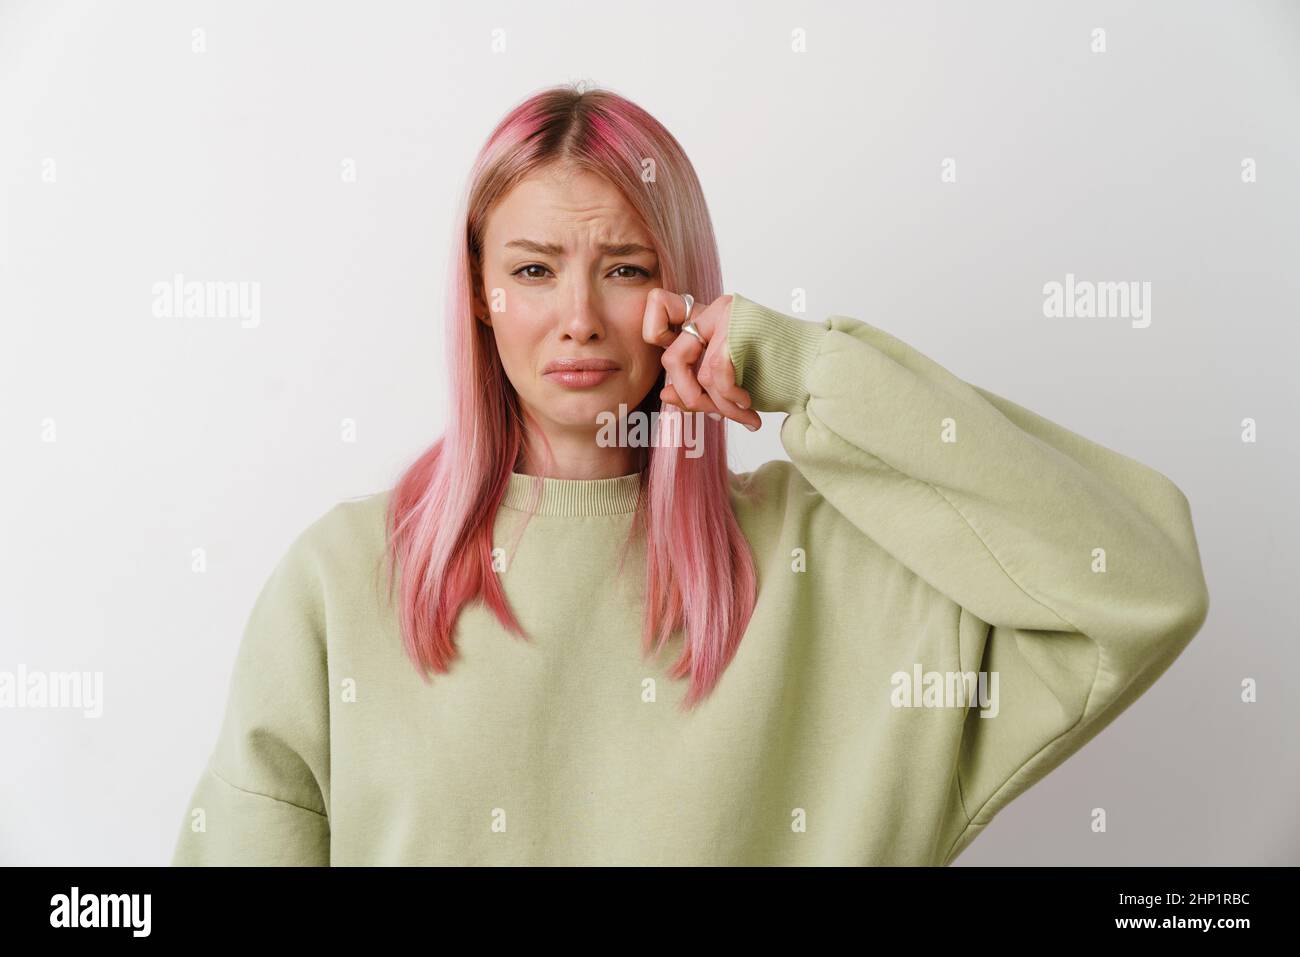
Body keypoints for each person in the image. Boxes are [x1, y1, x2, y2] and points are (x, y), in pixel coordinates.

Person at [170, 83, 1210, 866]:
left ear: (685, 291)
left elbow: (1142, 582)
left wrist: (810, 372)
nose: (578, 314)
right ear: (480, 295)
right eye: (533, 269)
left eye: (623, 268)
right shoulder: (345, 577)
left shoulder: (832, 563)